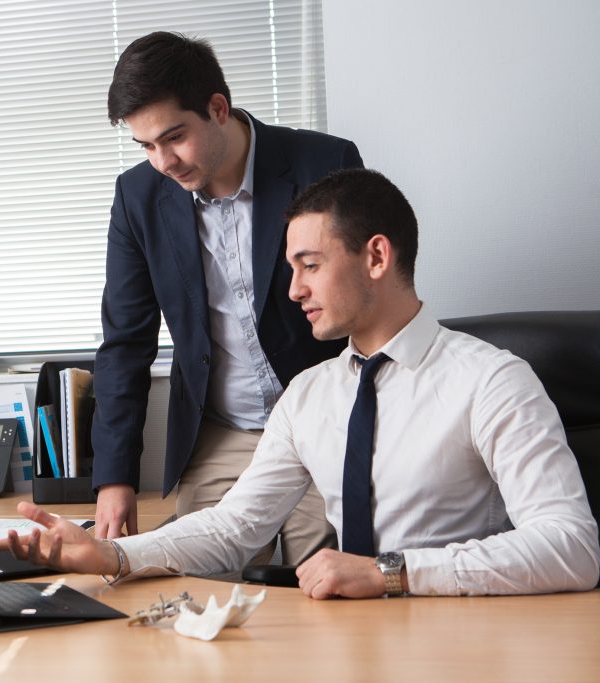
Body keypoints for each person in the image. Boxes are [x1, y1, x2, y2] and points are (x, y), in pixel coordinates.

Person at [0, 168, 600, 598]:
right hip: (353, 642)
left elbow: (571, 548)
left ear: (376, 258)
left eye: (310, 265)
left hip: (465, 643)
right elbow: (234, 528)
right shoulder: (309, 396)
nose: (293, 289)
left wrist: (390, 573)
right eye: (291, 268)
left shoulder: (492, 381)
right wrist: (115, 555)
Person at [92, 31, 364, 569]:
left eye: (174, 138)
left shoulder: (324, 162)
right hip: (222, 432)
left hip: (323, 421)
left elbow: (366, 305)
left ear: (218, 108)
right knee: (203, 589)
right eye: (146, 146)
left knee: (328, 588)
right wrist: (115, 478)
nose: (163, 161)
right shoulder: (137, 197)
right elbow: (125, 342)